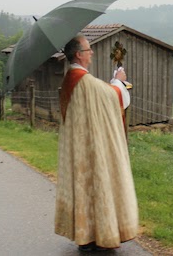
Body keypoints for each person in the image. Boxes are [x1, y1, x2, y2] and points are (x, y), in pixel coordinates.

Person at [55, 34, 138, 252]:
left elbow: (100, 94)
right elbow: (112, 97)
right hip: (92, 148)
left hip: (79, 149)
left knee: (84, 190)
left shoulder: (70, 78)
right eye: (88, 49)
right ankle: (101, 235)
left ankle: (86, 235)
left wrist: (113, 82)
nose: (92, 53)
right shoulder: (83, 81)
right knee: (98, 186)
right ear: (79, 55)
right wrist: (119, 80)